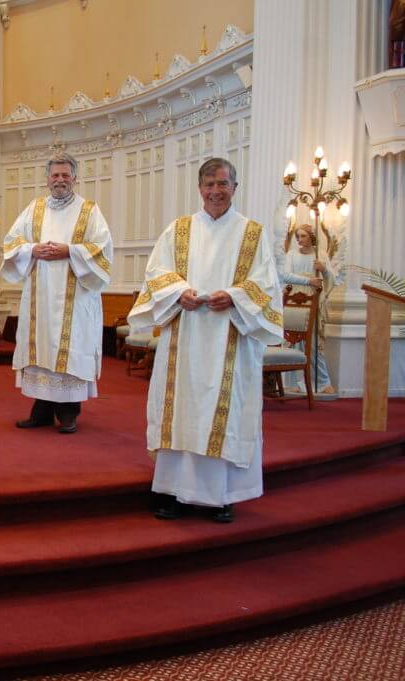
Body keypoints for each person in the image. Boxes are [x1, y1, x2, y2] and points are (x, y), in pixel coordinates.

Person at [128, 158, 282, 524]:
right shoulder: (178, 230)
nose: (216, 191)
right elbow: (157, 273)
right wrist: (179, 292)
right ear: (199, 189)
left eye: (223, 184)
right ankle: (172, 493)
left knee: (223, 411)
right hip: (185, 335)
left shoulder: (253, 234)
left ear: (235, 187)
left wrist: (235, 297)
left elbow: (267, 283)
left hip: (231, 337)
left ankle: (221, 496)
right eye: (210, 184)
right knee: (179, 409)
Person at [1, 153, 113, 433]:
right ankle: (41, 411)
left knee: (70, 350)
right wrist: (32, 249)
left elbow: (102, 247)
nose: (60, 180)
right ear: (47, 179)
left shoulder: (89, 210)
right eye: (55, 175)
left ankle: (68, 413)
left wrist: (69, 251)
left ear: (75, 178)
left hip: (75, 297)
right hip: (40, 293)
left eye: (65, 175)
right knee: (42, 349)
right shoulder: (35, 208)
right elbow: (13, 241)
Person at [280, 223, 339, 398]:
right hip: (295, 298)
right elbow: (286, 275)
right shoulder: (291, 255)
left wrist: (324, 269)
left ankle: (322, 381)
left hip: (313, 298)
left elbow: (331, 280)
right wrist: (308, 281)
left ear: (311, 237)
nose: (299, 239)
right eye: (297, 236)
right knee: (295, 341)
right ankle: (298, 382)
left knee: (312, 343)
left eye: (303, 236)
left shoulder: (320, 254)